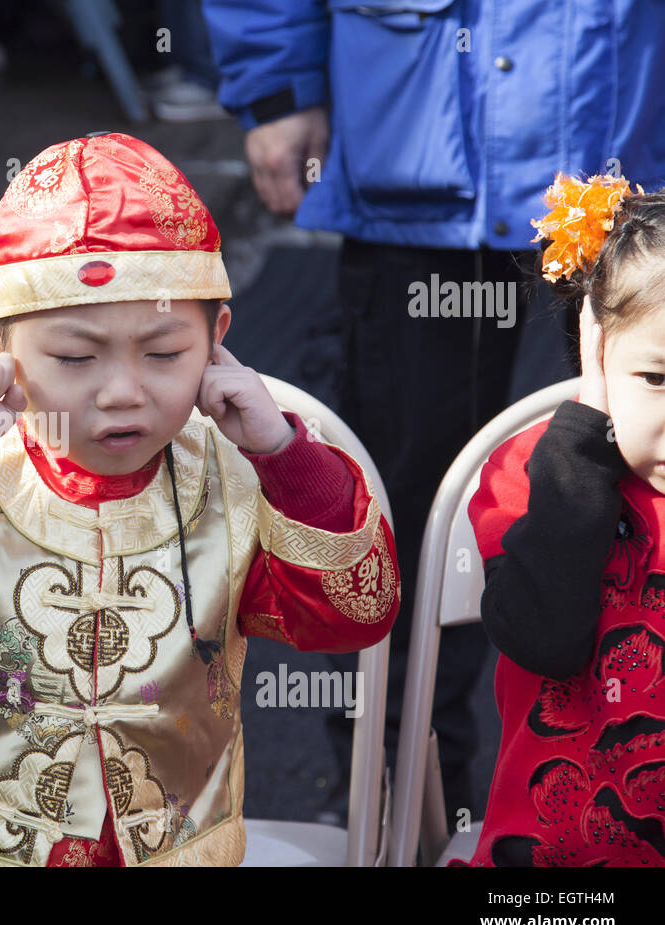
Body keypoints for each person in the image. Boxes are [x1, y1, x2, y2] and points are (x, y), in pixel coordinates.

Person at [0, 132, 399, 866]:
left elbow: (353, 613)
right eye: (75, 357)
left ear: (217, 341)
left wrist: (285, 458)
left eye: (164, 353)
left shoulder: (237, 479)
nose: (122, 392)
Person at [202, 1, 665, 826]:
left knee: (635, 513)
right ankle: (397, 809)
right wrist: (276, 88)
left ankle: (618, 804)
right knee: (399, 527)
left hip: (627, 188)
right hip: (421, 188)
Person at [460, 174, 665, 866]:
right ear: (598, 351)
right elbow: (544, 638)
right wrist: (584, 436)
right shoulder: (527, 475)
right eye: (657, 379)